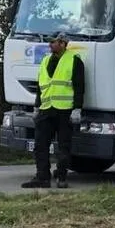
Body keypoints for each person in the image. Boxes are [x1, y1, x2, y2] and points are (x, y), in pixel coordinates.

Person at [21, 32, 85, 189]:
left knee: (64, 146)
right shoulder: (45, 60)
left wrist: (77, 109)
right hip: (46, 109)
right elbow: (41, 85)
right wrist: (37, 106)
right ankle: (42, 177)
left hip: (65, 111)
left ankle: (61, 177)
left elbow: (79, 87)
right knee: (40, 145)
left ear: (63, 44)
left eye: (53, 42)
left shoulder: (74, 60)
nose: (49, 45)